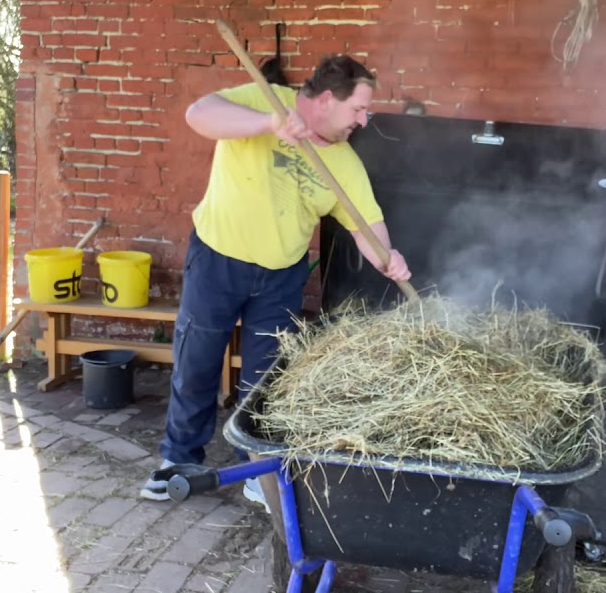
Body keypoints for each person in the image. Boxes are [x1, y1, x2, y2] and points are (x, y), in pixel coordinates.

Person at [140, 54, 412, 507]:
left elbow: (367, 223)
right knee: (198, 360)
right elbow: (198, 115)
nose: (363, 121)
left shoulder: (342, 161)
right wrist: (269, 123)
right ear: (326, 99)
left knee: (266, 378)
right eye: (358, 110)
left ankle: (258, 472)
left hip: (281, 275)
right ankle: (178, 461)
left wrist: (389, 258)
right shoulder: (264, 100)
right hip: (218, 258)